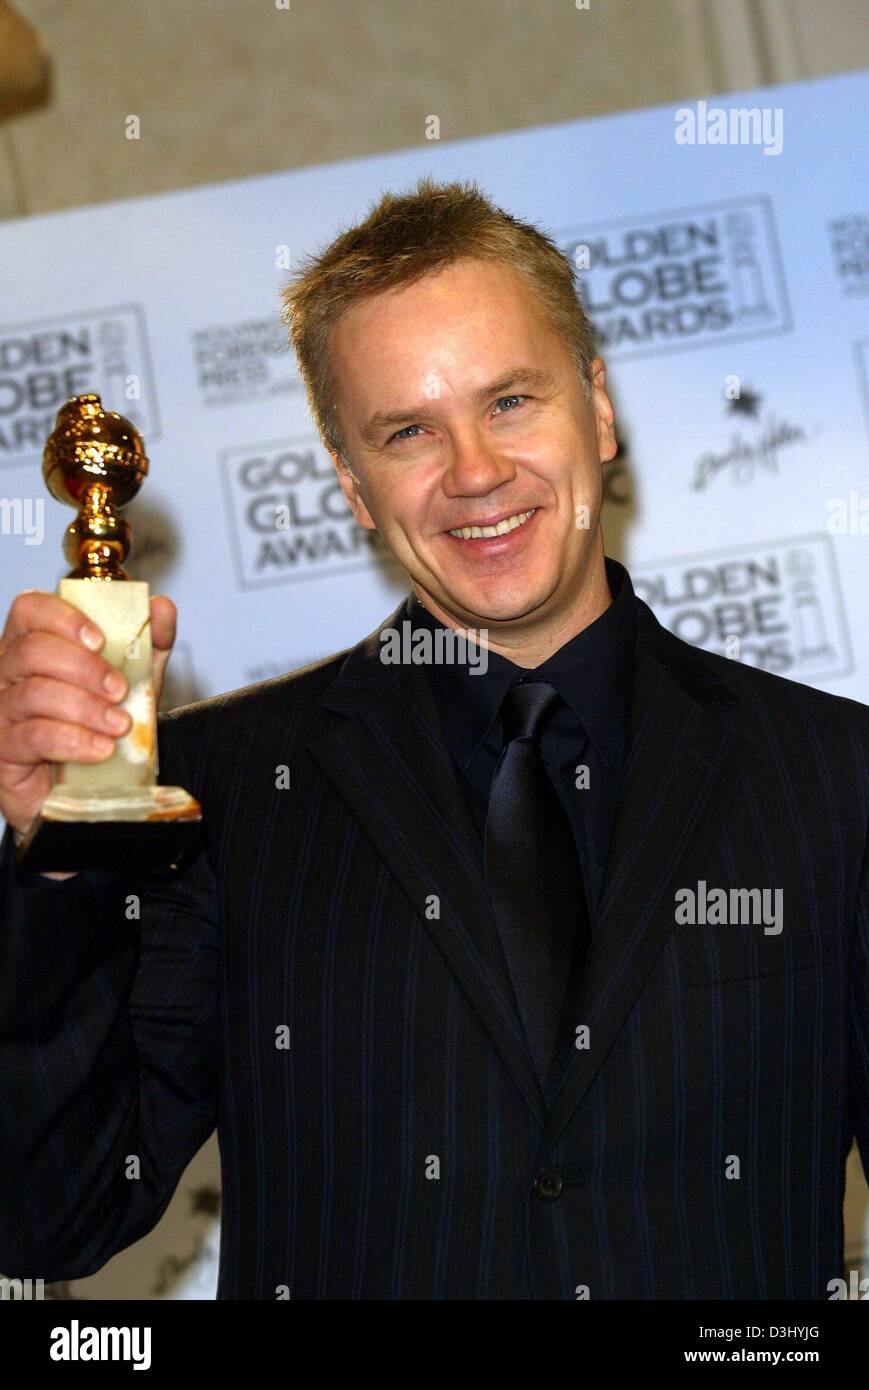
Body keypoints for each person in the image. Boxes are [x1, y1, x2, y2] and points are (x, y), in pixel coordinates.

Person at [0, 176, 867, 1300]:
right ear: (351, 481)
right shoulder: (220, 787)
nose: (472, 472)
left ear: (596, 410)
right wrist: (59, 855)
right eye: (408, 430)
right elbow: (48, 1210)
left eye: (509, 401)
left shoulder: (832, 776)